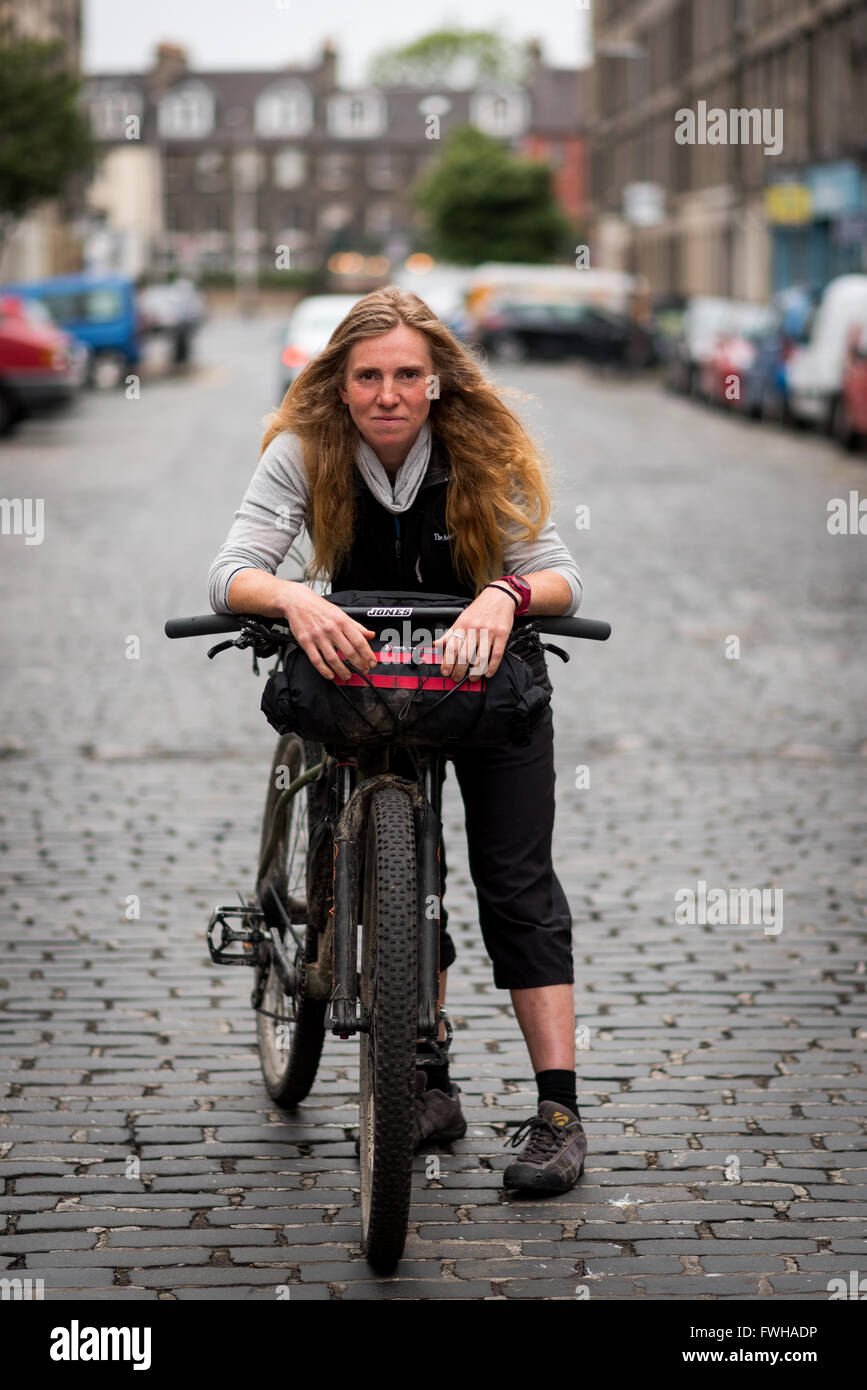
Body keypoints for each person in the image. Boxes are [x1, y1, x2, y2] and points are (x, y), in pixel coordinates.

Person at [208, 286, 587, 1193]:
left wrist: (503, 596)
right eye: (367, 376)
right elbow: (231, 572)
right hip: (371, 684)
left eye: (407, 374)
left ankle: (559, 1113)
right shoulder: (306, 453)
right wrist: (297, 596)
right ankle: (423, 1075)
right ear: (336, 385)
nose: (387, 393)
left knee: (518, 886)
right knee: (408, 887)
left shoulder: (479, 452)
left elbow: (559, 576)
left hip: (485, 688)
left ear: (437, 383)